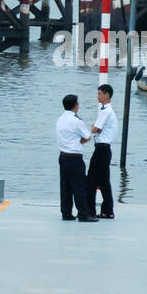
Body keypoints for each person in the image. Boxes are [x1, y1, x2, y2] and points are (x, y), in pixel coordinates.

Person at [56, 94, 97, 222]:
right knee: (79, 186)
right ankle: (83, 214)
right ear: (75, 106)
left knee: (65, 186)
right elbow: (88, 137)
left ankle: (66, 213)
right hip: (74, 157)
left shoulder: (60, 119)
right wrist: (79, 142)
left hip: (63, 156)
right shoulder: (76, 121)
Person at [87, 83, 118, 219]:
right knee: (104, 181)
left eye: (100, 93)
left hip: (101, 149)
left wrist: (93, 126)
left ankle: (90, 210)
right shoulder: (108, 111)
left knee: (91, 180)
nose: (98, 96)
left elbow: (95, 129)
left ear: (106, 95)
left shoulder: (105, 111)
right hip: (105, 149)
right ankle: (107, 210)